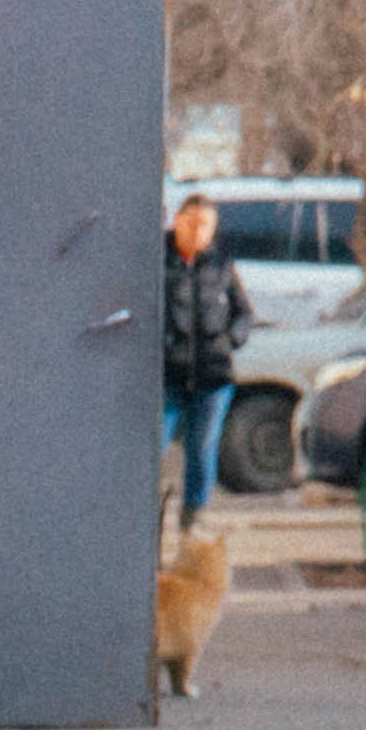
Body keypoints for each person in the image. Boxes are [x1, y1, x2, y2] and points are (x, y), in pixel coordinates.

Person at [160, 194, 255, 521]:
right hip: (169, 374)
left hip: (213, 376)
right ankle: (144, 513)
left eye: (207, 227)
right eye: (193, 224)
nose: (199, 233)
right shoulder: (159, 260)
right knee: (153, 443)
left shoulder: (220, 264)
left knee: (202, 446)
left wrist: (231, 340)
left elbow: (244, 313)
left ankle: (193, 516)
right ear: (178, 221)